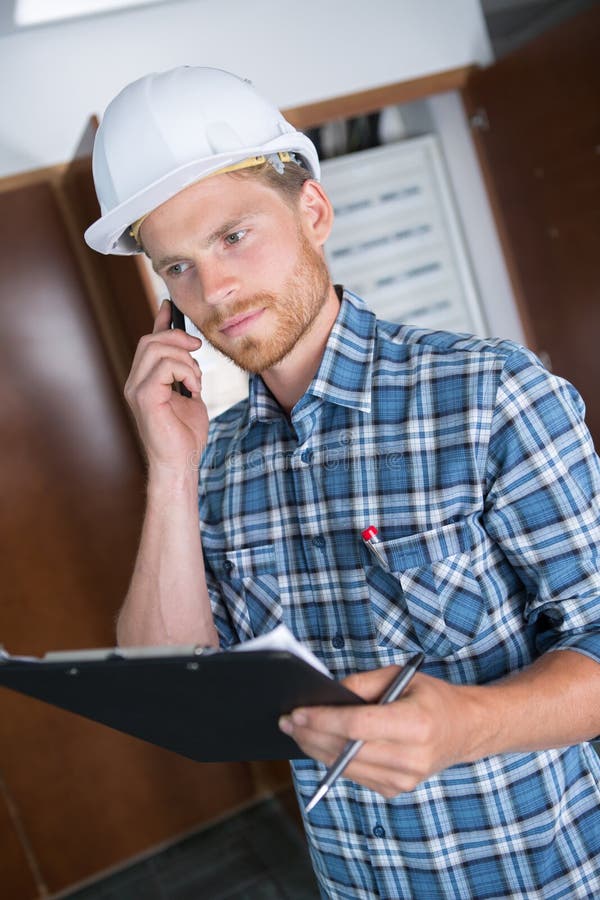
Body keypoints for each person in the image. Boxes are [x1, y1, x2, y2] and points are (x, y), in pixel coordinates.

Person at [85, 66, 600, 899]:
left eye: (232, 237)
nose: (212, 290)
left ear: (313, 214)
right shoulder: (216, 466)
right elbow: (176, 685)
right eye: (175, 267)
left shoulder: (490, 395)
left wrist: (464, 725)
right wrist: (171, 475)